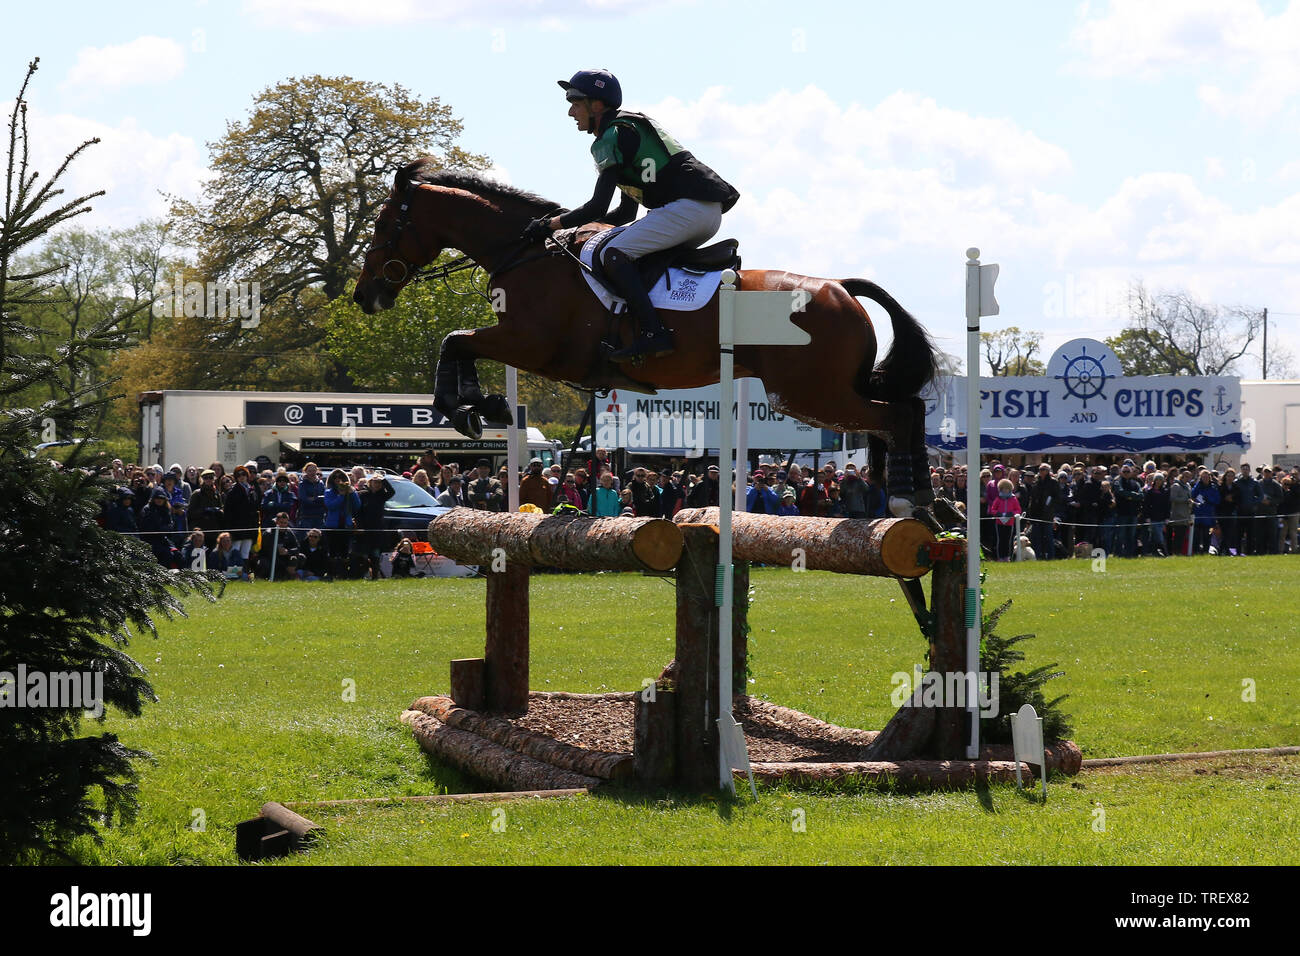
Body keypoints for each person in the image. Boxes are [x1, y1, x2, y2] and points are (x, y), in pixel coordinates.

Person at [524, 70, 740, 362]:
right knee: (625, 249)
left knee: (613, 253)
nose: (570, 111)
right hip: (702, 213)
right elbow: (625, 213)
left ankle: (654, 333)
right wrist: (578, 228)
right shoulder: (625, 130)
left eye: (575, 102)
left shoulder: (610, 137)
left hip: (687, 210)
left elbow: (597, 207)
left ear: (597, 105)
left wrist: (550, 225)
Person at [323, 469, 362, 578]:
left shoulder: (350, 491)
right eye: (335, 478)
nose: (338, 480)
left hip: (346, 525)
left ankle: (343, 574)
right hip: (332, 525)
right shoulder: (329, 492)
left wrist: (352, 493)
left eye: (340, 478)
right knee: (332, 551)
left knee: (345, 551)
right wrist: (341, 496)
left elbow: (357, 506)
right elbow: (331, 506)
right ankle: (331, 573)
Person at [356, 474, 396, 579]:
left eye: (379, 483)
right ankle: (362, 575)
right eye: (375, 482)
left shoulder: (382, 495)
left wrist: (383, 480)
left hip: (377, 528)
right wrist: (359, 526)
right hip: (364, 528)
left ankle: (375, 576)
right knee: (364, 554)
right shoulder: (362, 494)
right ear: (370, 482)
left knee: (375, 554)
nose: (377, 484)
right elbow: (357, 512)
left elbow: (392, 491)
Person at [224, 466, 260, 566]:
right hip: (237, 527)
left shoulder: (252, 490)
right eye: (238, 475)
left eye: (243, 474)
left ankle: (244, 572)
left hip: (250, 527)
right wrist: (230, 528)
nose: (241, 477)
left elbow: (256, 509)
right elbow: (228, 511)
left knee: (245, 552)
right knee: (235, 550)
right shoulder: (232, 491)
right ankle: (233, 573)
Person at [256, 512, 302, 581]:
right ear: (276, 522)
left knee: (301, 557)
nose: (283, 525)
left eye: (285, 523)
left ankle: (290, 575)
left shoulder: (289, 532)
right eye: (281, 522)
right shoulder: (268, 533)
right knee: (263, 562)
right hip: (269, 559)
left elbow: (297, 547)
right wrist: (278, 552)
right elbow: (267, 552)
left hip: (284, 558)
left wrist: (287, 551)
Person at [988, 477, 1022, 561]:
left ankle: (1007, 557)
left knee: (1007, 540)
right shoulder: (998, 499)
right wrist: (999, 513)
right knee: (1000, 540)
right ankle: (1000, 557)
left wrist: (1012, 514)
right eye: (1004, 488)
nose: (1005, 490)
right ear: (1000, 489)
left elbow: (1018, 510)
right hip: (999, 522)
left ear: (1010, 489)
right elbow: (992, 510)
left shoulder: (1013, 498)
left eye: (1007, 488)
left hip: (1009, 522)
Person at [295, 462, 327, 530]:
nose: (312, 473)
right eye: (310, 471)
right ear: (305, 471)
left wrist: (314, 498)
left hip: (320, 516)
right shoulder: (302, 484)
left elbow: (325, 498)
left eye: (314, 470)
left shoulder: (321, 483)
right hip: (306, 516)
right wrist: (318, 500)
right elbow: (303, 499)